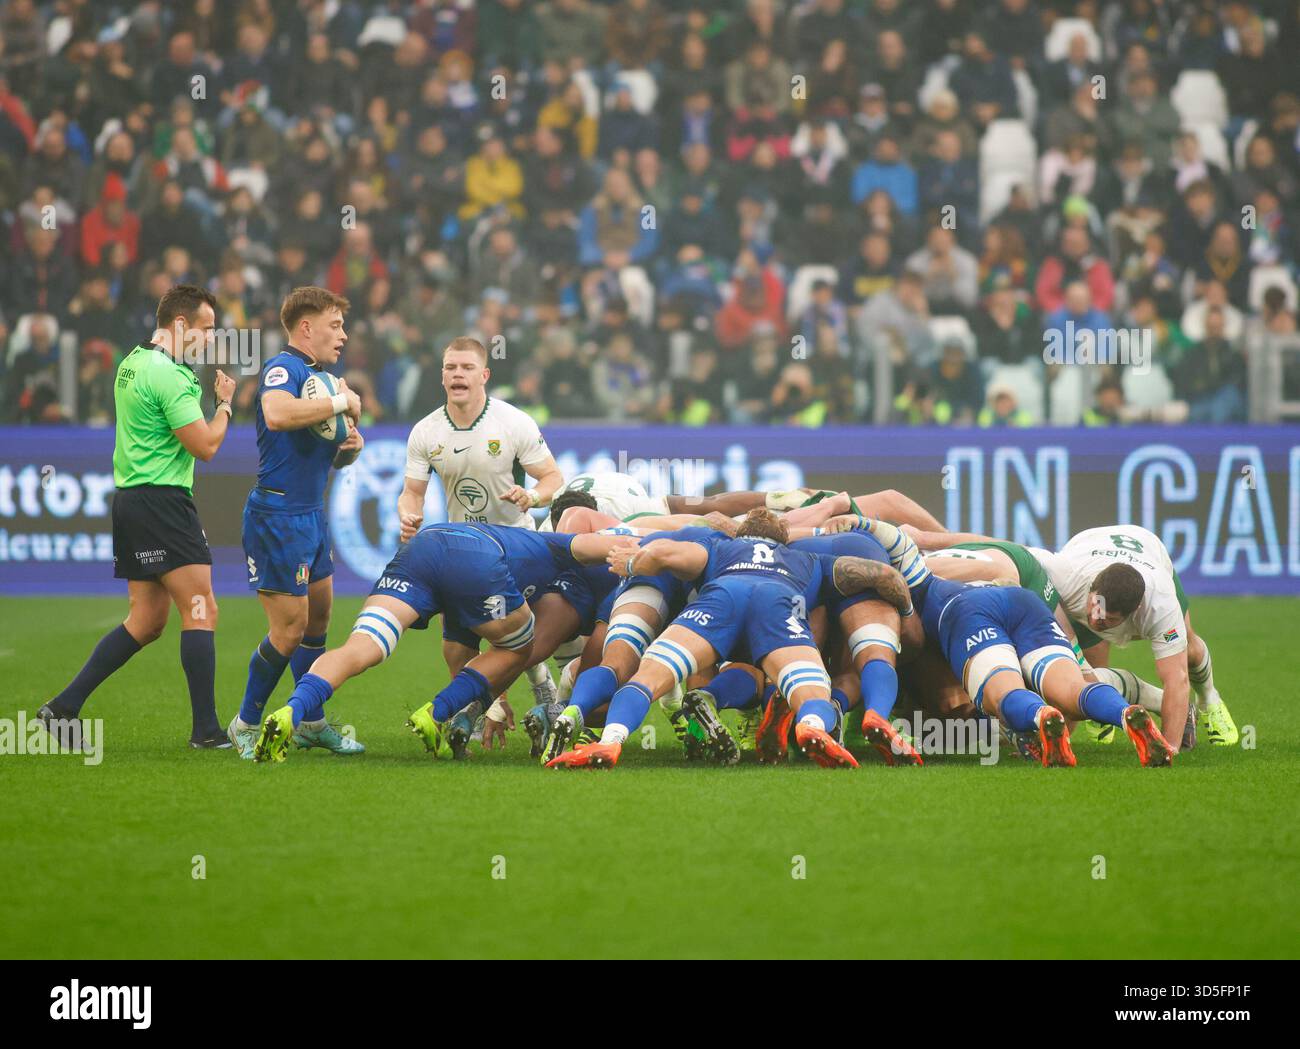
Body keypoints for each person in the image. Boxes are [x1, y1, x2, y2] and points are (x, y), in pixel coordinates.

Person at [38, 285, 235, 749]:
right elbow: (205, 446)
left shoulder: (132, 362)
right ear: (181, 324)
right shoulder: (169, 376)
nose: (210, 339)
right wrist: (225, 403)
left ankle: (63, 708)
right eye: (206, 328)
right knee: (201, 607)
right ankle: (206, 731)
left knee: (146, 620)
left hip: (131, 501)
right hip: (163, 502)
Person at [225, 287, 366, 758]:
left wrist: (348, 449)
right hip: (278, 517)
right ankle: (245, 723)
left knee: (319, 618)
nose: (343, 335)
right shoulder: (283, 369)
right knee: (288, 630)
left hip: (311, 514)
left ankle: (310, 722)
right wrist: (341, 403)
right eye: (335, 325)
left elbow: (321, 454)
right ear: (306, 327)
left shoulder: (319, 379)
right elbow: (277, 413)